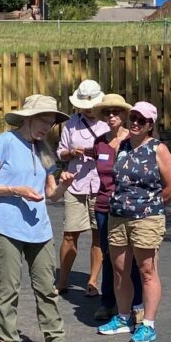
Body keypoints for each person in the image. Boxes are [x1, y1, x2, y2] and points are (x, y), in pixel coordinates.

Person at [0, 94, 74, 342]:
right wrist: (14, 190)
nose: (47, 127)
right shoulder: (6, 141)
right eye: (43, 120)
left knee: (47, 289)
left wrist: (65, 185)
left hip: (39, 229)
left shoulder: (45, 149)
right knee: (9, 288)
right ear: (28, 118)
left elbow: (51, 194)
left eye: (51, 122)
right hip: (5, 226)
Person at [99, 101, 171, 342]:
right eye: (133, 117)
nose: (135, 123)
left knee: (147, 271)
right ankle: (123, 317)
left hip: (146, 219)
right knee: (120, 270)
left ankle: (148, 324)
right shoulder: (122, 145)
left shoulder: (158, 149)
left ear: (150, 125)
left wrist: (151, 206)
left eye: (141, 120)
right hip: (118, 217)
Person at [91, 93, 143, 326]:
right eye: (107, 112)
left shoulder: (133, 140)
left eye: (116, 112)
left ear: (124, 114)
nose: (111, 116)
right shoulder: (99, 142)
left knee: (132, 259)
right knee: (108, 256)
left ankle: (137, 304)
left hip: (128, 208)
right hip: (104, 206)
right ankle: (108, 301)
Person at [57, 80, 108, 296]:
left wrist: (99, 154)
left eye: (91, 104)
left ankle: (93, 281)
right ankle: (63, 279)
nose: (87, 108)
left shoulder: (107, 124)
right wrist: (71, 153)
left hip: (101, 184)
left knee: (98, 234)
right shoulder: (71, 124)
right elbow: (60, 152)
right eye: (84, 104)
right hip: (75, 184)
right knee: (70, 234)